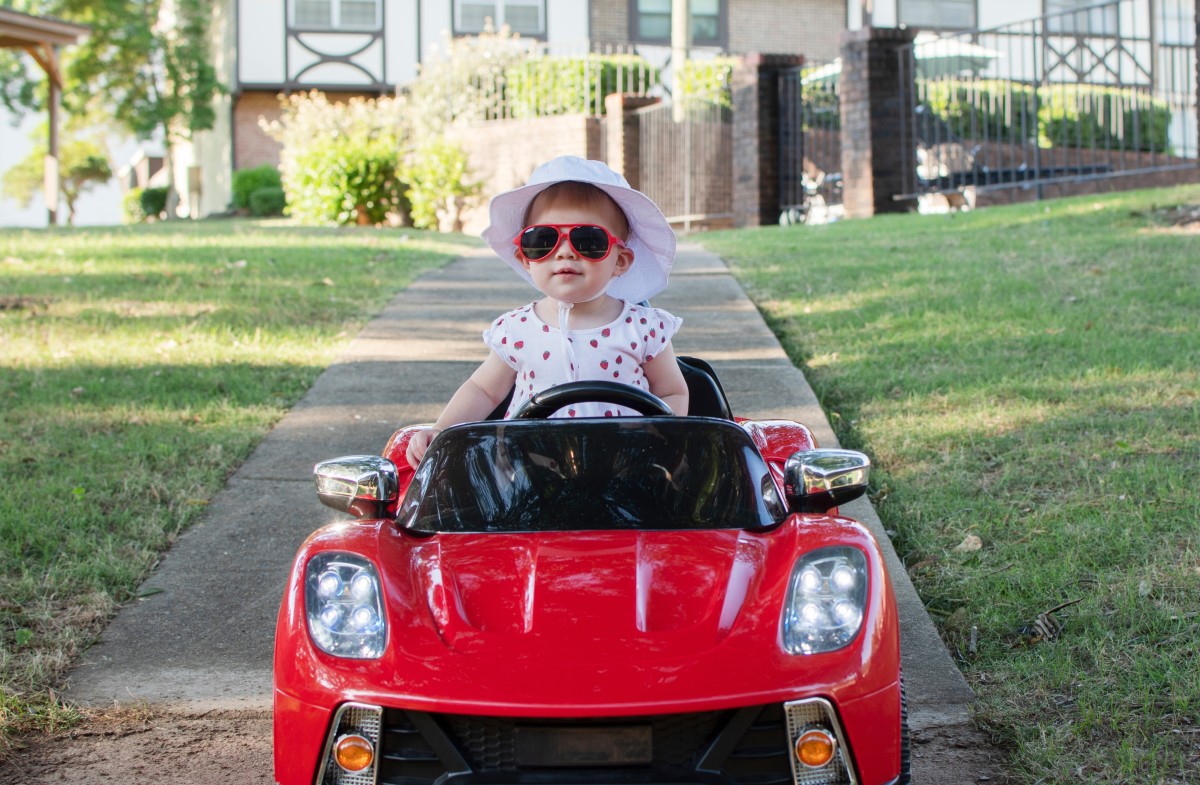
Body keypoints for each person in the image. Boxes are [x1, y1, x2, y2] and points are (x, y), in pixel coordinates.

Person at [405, 156, 689, 468]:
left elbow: (672, 392)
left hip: (625, 468)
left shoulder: (643, 328)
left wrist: (657, 442)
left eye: (588, 241)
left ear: (620, 261)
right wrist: (441, 429)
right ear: (525, 259)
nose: (565, 252)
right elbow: (484, 391)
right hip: (531, 471)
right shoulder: (516, 330)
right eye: (543, 240)